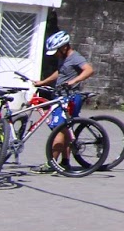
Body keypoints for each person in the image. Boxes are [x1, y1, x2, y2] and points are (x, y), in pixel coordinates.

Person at [31, 29, 94, 173]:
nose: (56, 55)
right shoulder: (63, 58)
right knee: (64, 130)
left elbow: (89, 70)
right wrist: (43, 82)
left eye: (56, 52)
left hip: (70, 98)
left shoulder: (75, 57)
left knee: (59, 129)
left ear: (64, 47)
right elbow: (60, 72)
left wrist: (74, 81)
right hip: (60, 97)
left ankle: (51, 163)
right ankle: (65, 162)